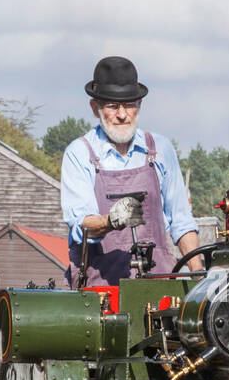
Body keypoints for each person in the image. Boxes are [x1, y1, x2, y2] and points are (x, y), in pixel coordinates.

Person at [60, 56, 202, 285]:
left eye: (129, 105)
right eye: (113, 106)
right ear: (95, 108)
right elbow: (81, 226)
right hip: (100, 292)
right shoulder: (79, 154)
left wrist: (197, 272)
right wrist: (111, 220)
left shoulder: (160, 150)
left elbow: (181, 221)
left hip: (159, 284)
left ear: (139, 105)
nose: (122, 114)